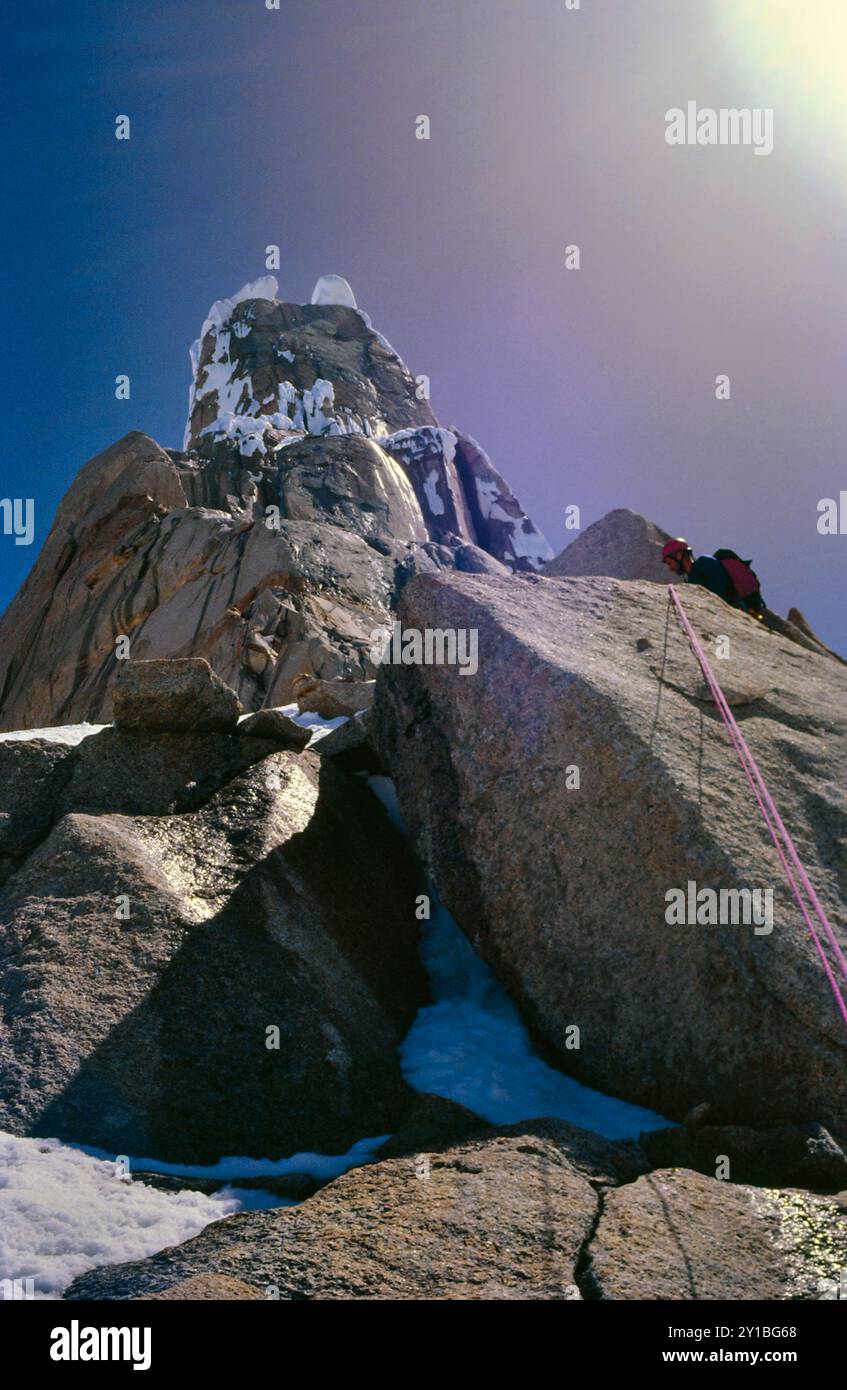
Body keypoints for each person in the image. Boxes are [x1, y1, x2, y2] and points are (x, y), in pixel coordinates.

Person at [660, 538, 757, 613]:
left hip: (734, 609)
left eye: (670, 563)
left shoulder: (704, 563)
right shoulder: (692, 579)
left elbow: (720, 590)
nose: (670, 568)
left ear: (679, 555)